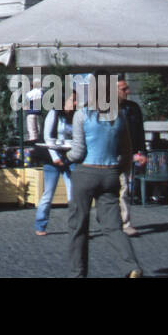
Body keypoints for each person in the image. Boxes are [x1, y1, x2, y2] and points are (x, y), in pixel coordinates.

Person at [66, 95, 143, 278]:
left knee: (78, 226)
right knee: (113, 226)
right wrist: (119, 172)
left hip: (86, 172)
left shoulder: (82, 114)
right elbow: (127, 151)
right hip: (110, 173)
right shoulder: (120, 115)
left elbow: (78, 152)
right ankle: (131, 266)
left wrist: (63, 158)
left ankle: (78, 274)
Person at [36, 91, 77, 236]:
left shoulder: (74, 116)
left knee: (73, 193)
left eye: (76, 100)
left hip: (69, 157)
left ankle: (75, 227)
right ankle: (41, 225)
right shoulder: (53, 114)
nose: (75, 103)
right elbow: (48, 138)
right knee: (48, 193)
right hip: (52, 159)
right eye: (72, 100)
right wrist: (55, 158)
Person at [117, 76, 147, 235]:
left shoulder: (133, 108)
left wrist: (141, 152)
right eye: (123, 89)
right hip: (108, 155)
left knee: (124, 188)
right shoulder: (104, 109)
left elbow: (140, 133)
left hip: (127, 155)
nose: (128, 91)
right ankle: (111, 220)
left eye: (127, 88)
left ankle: (125, 222)